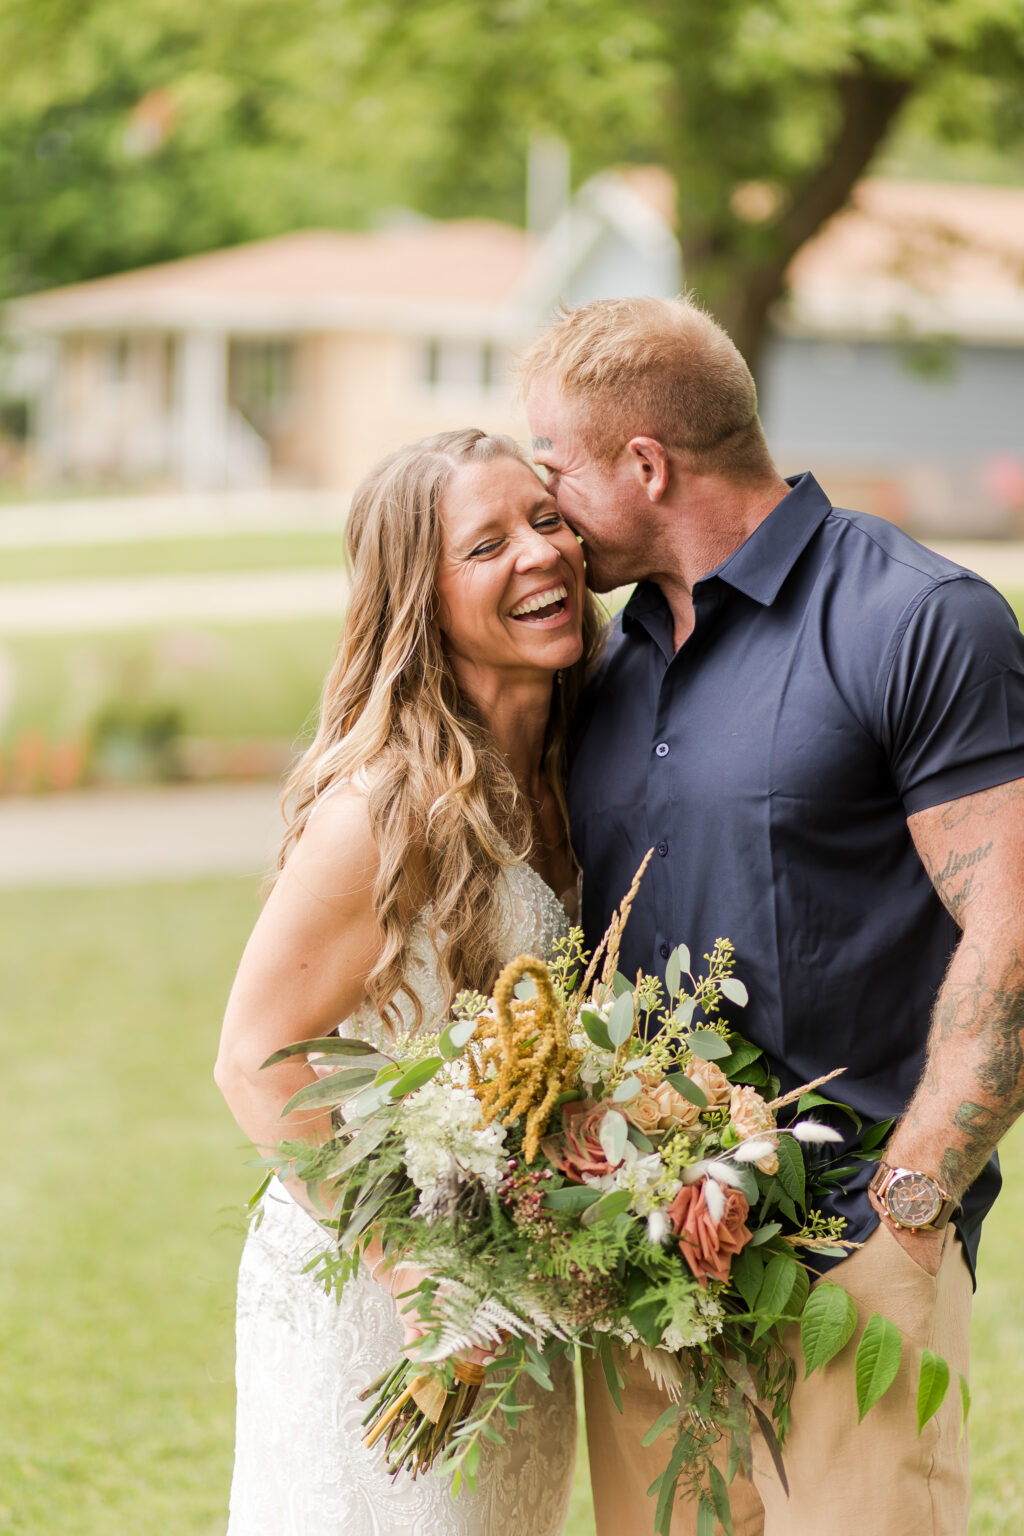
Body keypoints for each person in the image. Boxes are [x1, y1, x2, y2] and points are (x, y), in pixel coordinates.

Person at [521, 295, 1024, 1536]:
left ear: (644, 465)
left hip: (851, 1245)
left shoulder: (916, 617)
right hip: (637, 1252)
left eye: (554, 472)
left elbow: (1014, 929)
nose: (545, 511)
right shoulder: (602, 657)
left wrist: (908, 1210)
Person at [215, 428, 602, 1536]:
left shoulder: (581, 767)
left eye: (546, 519)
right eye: (487, 545)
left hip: (512, 1274)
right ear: (418, 601)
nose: (541, 554)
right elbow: (253, 1056)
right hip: (386, 1284)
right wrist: (416, 1276)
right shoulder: (386, 806)